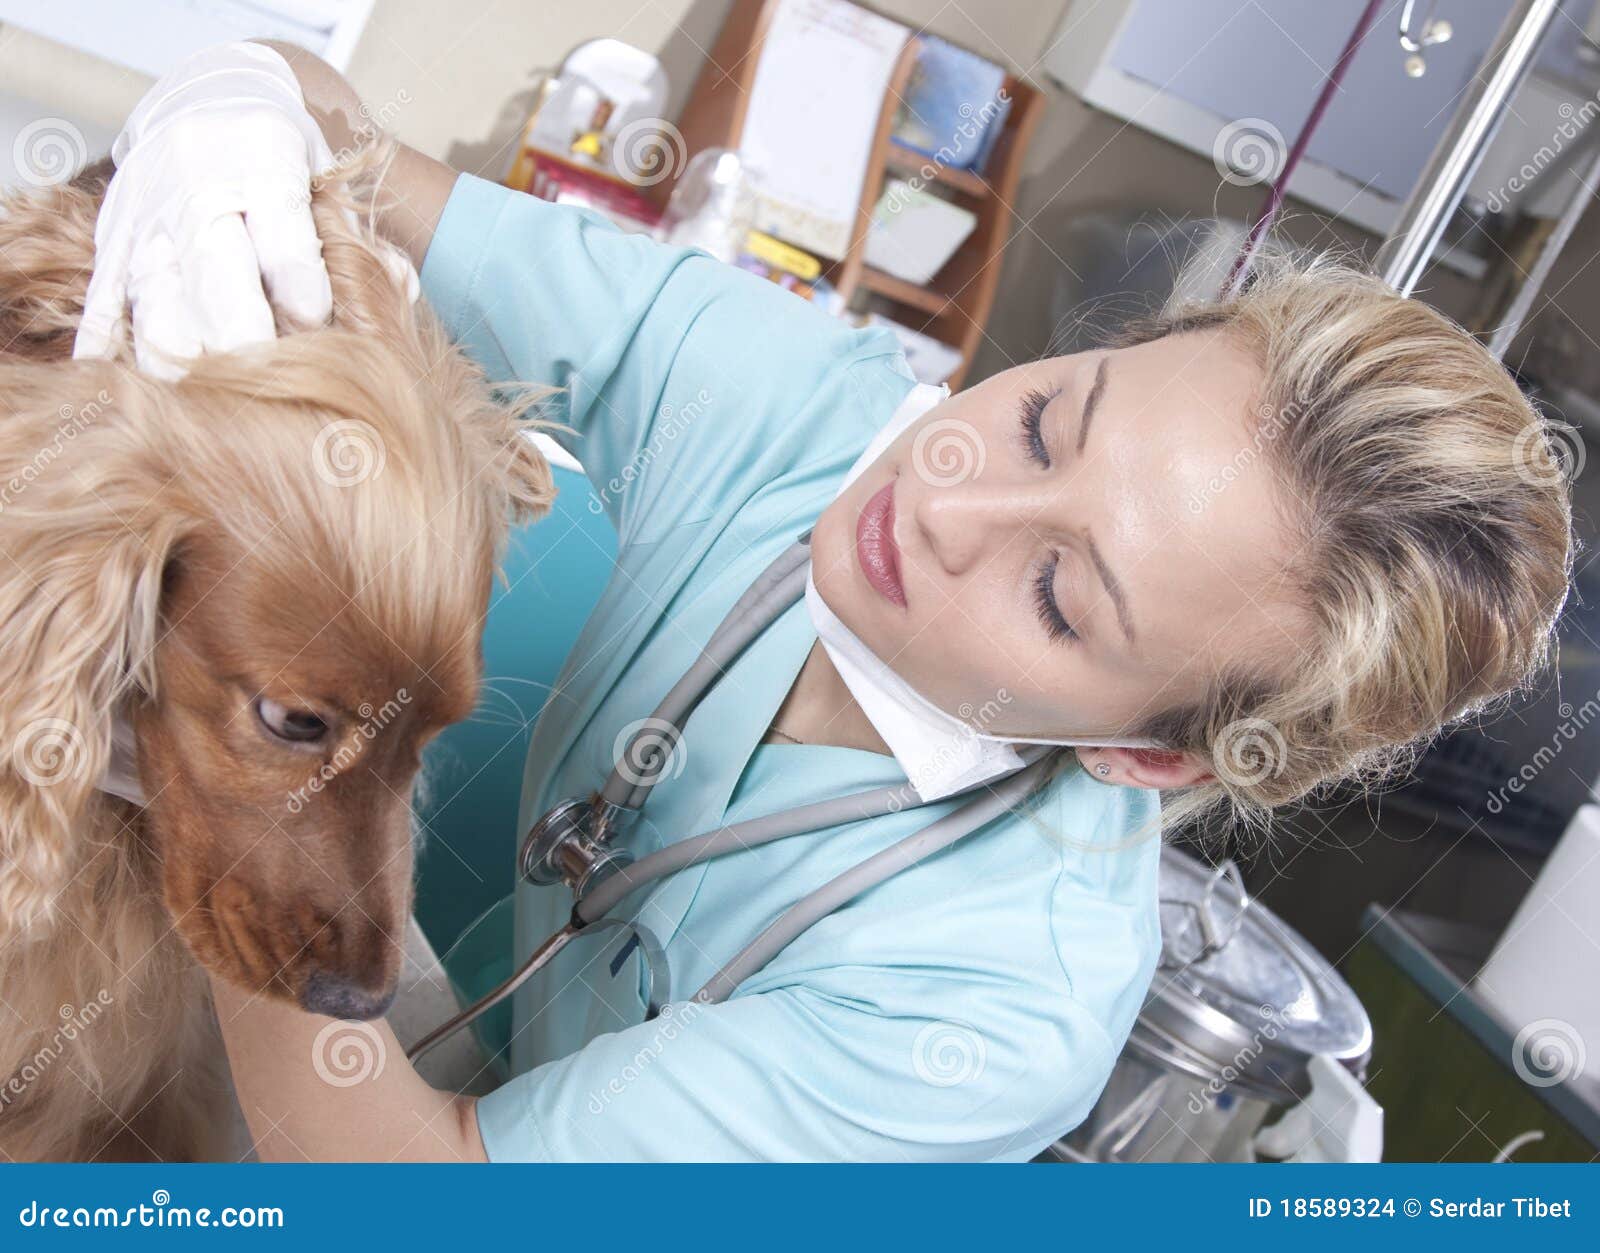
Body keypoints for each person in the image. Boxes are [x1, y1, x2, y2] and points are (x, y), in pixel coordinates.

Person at [75, 42, 1572, 1162]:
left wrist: (235, 803)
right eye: (1049, 419)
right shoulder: (804, 407)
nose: (943, 499)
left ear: (1149, 754)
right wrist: (231, 109)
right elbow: (342, 148)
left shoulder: (988, 1005)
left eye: (1058, 592)